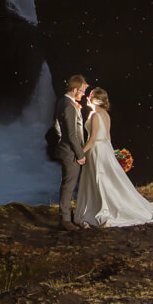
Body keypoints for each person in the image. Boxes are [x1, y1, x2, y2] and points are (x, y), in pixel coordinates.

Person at [74, 88, 153, 227]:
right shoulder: (105, 114)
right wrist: (111, 154)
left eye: (90, 95)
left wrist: (80, 153)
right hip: (105, 149)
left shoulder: (95, 115)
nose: (87, 97)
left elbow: (92, 139)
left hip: (97, 151)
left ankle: (102, 207)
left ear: (95, 99)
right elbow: (108, 137)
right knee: (107, 179)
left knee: (100, 179)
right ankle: (105, 204)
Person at [54, 74, 89, 231]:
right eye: (81, 90)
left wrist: (61, 139)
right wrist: (80, 154)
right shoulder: (69, 106)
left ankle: (67, 214)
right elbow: (72, 134)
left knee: (68, 184)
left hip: (67, 149)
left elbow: (57, 125)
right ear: (74, 89)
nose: (83, 94)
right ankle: (65, 219)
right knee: (68, 185)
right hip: (71, 153)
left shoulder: (62, 102)